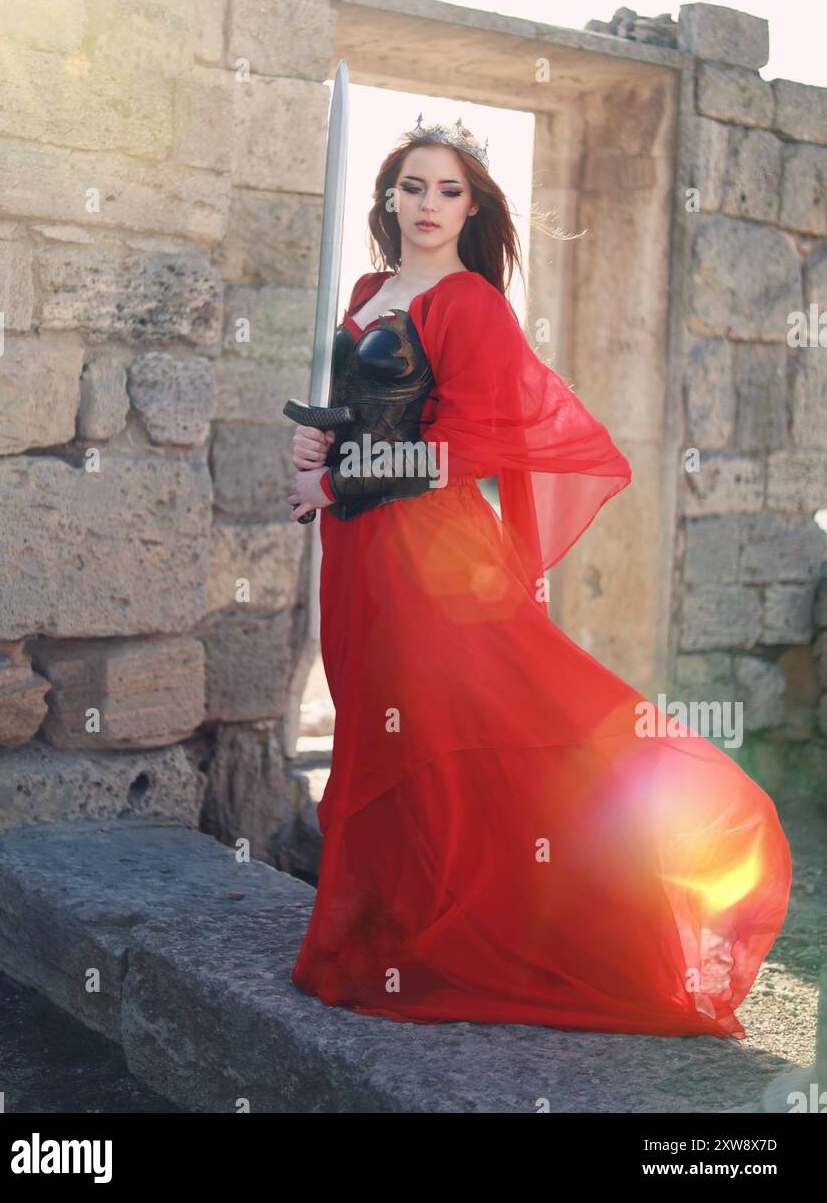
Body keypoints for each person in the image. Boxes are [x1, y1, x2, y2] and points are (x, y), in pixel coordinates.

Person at [284, 115, 792, 1038]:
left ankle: (539, 934)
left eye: (449, 191)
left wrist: (333, 480)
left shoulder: (472, 304)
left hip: (430, 557)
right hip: (356, 550)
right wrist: (312, 445)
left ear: (472, 207)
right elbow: (356, 410)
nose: (428, 205)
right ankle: (384, 934)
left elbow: (460, 449)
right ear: (388, 195)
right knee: (378, 721)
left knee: (473, 720)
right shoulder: (367, 289)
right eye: (413, 186)